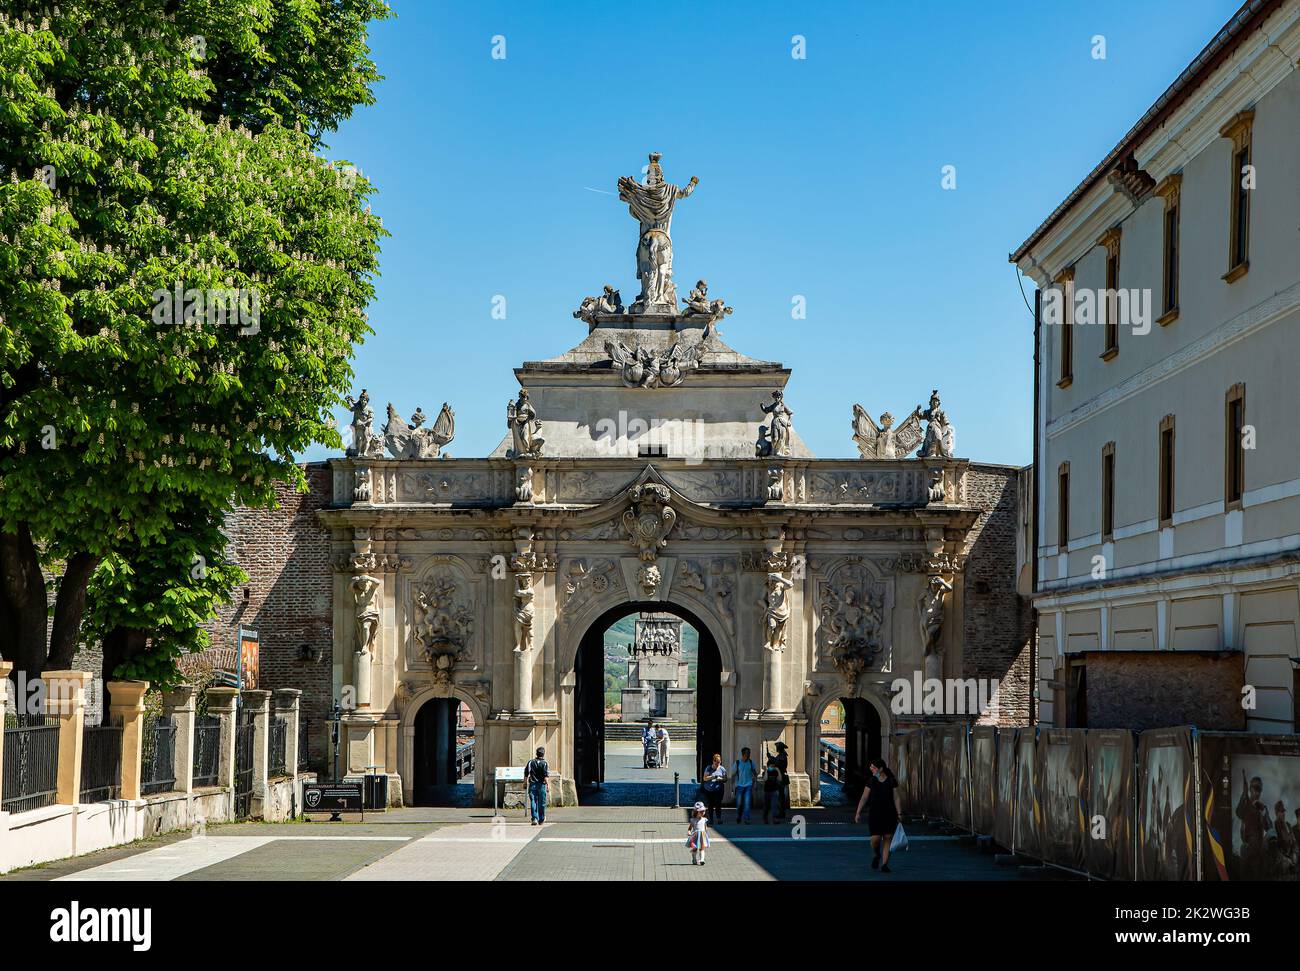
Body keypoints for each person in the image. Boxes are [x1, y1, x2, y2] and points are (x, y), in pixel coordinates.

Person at [855, 757, 900, 873]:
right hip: (875, 814)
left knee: (888, 838)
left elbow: (896, 798)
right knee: (875, 839)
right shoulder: (871, 781)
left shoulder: (891, 781)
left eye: (873, 768)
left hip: (889, 813)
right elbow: (864, 797)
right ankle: (877, 854)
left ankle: (884, 864)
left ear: (880, 769)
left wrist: (899, 812)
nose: (872, 770)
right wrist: (858, 812)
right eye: (871, 768)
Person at [524, 747, 549, 826]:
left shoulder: (530, 762)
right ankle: (541, 819)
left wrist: (525, 783)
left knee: (533, 801)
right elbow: (546, 776)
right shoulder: (545, 763)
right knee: (542, 802)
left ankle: (534, 818)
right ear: (543, 754)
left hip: (532, 784)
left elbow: (526, 773)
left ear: (536, 753)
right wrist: (548, 786)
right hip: (541, 785)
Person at [732, 747, 756, 824]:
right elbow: (733, 774)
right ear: (743, 754)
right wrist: (732, 786)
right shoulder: (737, 763)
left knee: (747, 803)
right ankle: (739, 816)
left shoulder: (751, 762)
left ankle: (746, 818)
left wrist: (754, 783)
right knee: (739, 804)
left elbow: (755, 773)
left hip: (748, 785)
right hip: (739, 786)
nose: (749, 755)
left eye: (749, 753)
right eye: (747, 753)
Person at [701, 753, 727, 821]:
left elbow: (725, 779)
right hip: (709, 790)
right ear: (713, 761)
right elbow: (705, 778)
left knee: (718, 804)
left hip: (719, 789)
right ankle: (711, 819)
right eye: (716, 762)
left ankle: (719, 819)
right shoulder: (709, 768)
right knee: (710, 804)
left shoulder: (722, 769)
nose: (718, 764)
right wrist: (712, 777)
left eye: (719, 762)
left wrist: (720, 779)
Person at [686, 801, 710, 866]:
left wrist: (706, 834)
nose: (703, 812)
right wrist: (689, 832)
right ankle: (694, 859)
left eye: (704, 811)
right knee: (695, 848)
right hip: (695, 836)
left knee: (702, 848)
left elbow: (705, 828)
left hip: (702, 835)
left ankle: (702, 860)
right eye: (701, 811)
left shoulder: (704, 819)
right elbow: (689, 828)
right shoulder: (693, 820)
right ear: (696, 812)